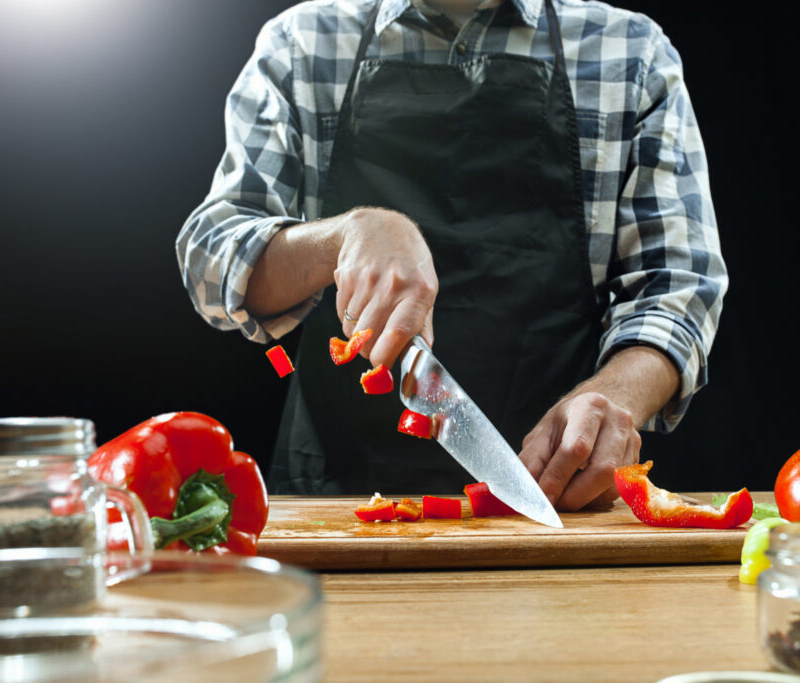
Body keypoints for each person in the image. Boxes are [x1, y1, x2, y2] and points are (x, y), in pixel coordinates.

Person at [176, 0, 728, 511]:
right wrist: (344, 235)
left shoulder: (629, 52)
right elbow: (211, 256)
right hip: (335, 501)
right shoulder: (305, 42)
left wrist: (616, 393)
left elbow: (677, 286)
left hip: (559, 489)